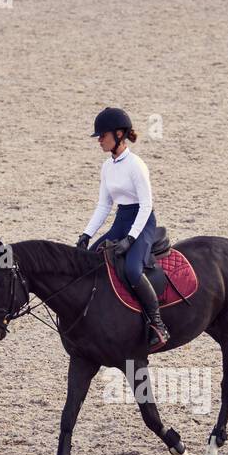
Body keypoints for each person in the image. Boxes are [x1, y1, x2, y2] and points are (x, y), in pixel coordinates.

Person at [75, 107, 170, 351]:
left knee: (132, 269)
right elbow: (104, 204)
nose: (99, 140)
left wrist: (131, 238)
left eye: (102, 135)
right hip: (121, 220)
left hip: (143, 221)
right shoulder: (108, 167)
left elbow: (146, 205)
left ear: (119, 134)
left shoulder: (136, 165)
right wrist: (87, 234)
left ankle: (157, 324)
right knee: (91, 259)